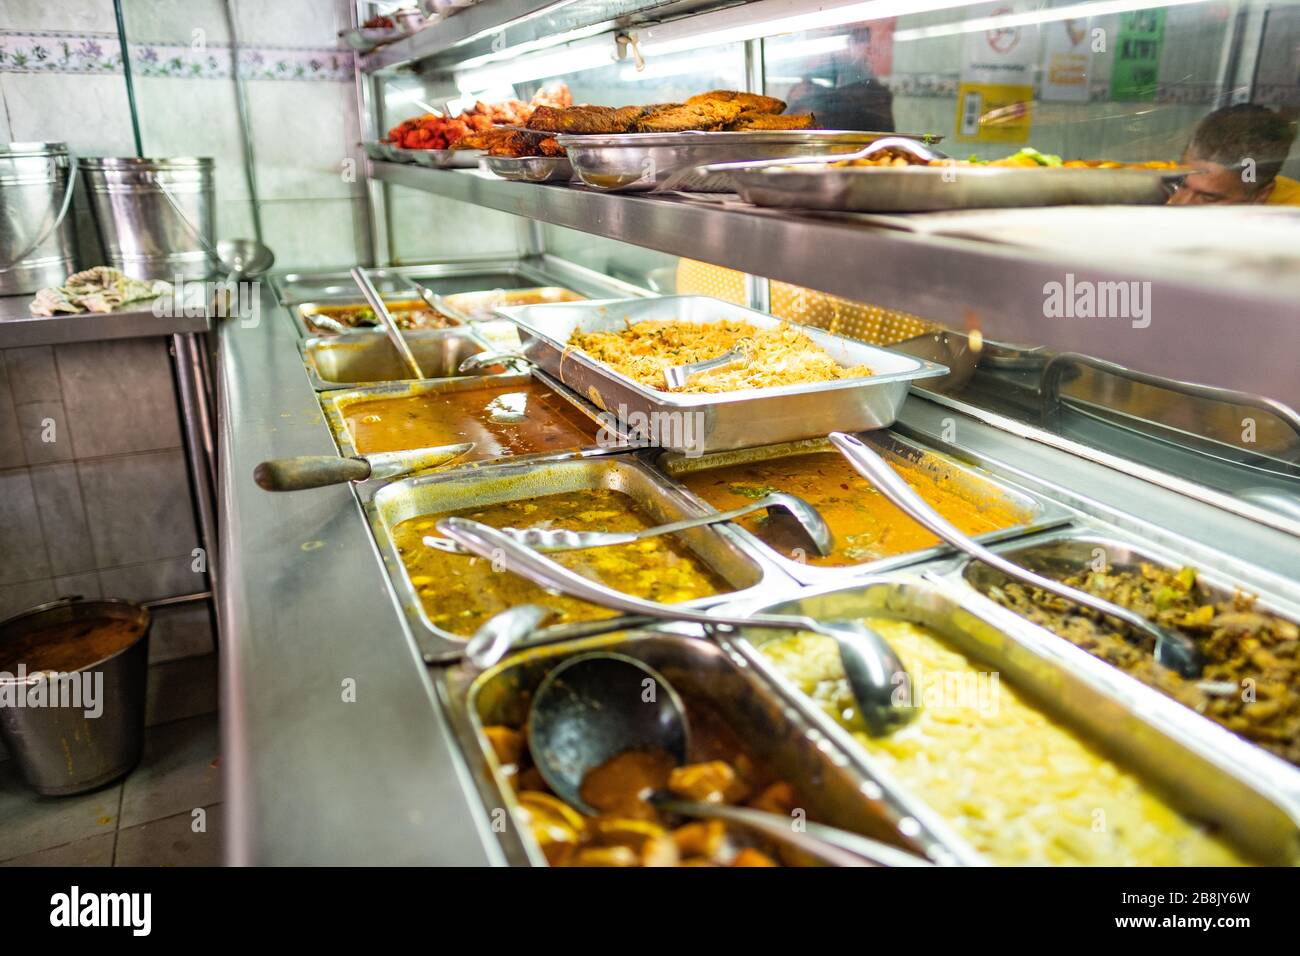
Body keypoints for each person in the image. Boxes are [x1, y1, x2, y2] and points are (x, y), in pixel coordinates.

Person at [1169, 103, 1300, 205]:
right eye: (1180, 185)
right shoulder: (1160, 176)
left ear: (1260, 196)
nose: (1181, 203)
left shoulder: (1292, 221)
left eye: (1208, 198)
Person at [785, 27, 895, 133]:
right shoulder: (844, 75)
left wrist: (810, 92)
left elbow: (845, 104)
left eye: (861, 41)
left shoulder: (871, 91)